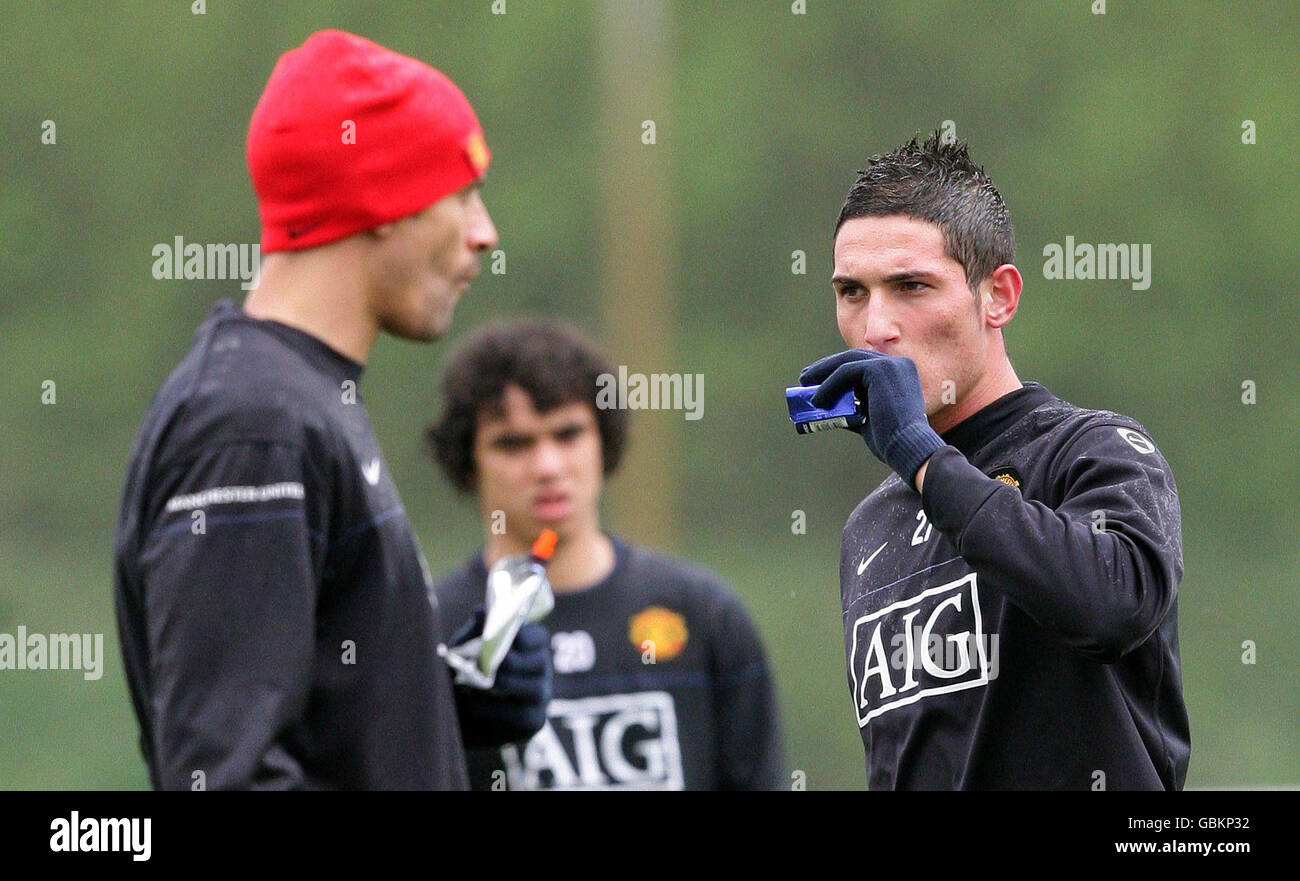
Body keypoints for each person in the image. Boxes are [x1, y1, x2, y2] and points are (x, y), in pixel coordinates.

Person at [113, 29, 548, 790]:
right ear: (382, 199)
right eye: (463, 195)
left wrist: (444, 699)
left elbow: (304, 718)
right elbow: (230, 772)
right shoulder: (253, 427)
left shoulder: (293, 399)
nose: (485, 234)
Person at [795, 132, 1189, 790]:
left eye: (911, 286)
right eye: (853, 292)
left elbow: (1114, 606)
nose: (875, 328)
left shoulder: (1093, 450)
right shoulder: (870, 527)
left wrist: (922, 458)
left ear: (998, 296)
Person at [427, 321, 786, 790]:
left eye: (568, 434)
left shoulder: (704, 615)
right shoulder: (433, 632)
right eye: (513, 443)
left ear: (605, 442)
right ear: (468, 461)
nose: (548, 466)